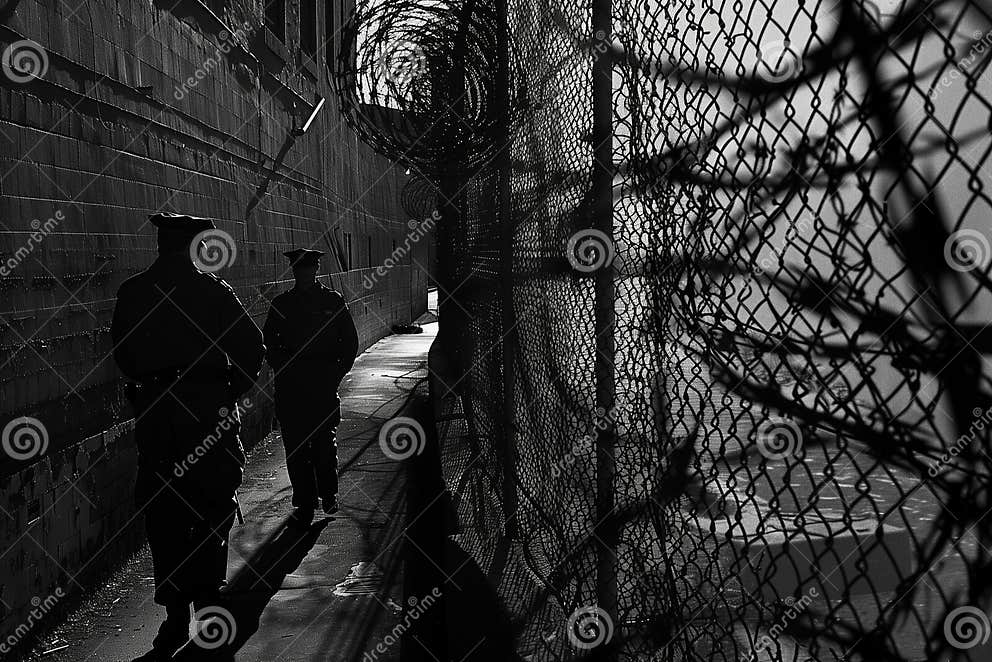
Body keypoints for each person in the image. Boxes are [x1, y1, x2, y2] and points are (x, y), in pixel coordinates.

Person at [110, 213, 264, 660]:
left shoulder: (135, 292)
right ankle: (206, 597)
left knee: (166, 512)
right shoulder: (212, 291)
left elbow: (125, 355)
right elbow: (252, 347)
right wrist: (227, 392)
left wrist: (155, 387)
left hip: (160, 418)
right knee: (212, 502)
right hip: (208, 416)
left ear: (160, 246)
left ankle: (174, 610)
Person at [263, 248, 358, 527]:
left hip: (321, 384)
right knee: (295, 445)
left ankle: (328, 493)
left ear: (316, 270)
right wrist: (284, 367)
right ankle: (304, 499)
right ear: (295, 272)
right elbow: (269, 341)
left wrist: (334, 374)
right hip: (293, 385)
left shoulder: (332, 301)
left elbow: (348, 342)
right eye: (299, 270)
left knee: (323, 443)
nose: (304, 274)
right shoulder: (283, 304)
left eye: (308, 269)